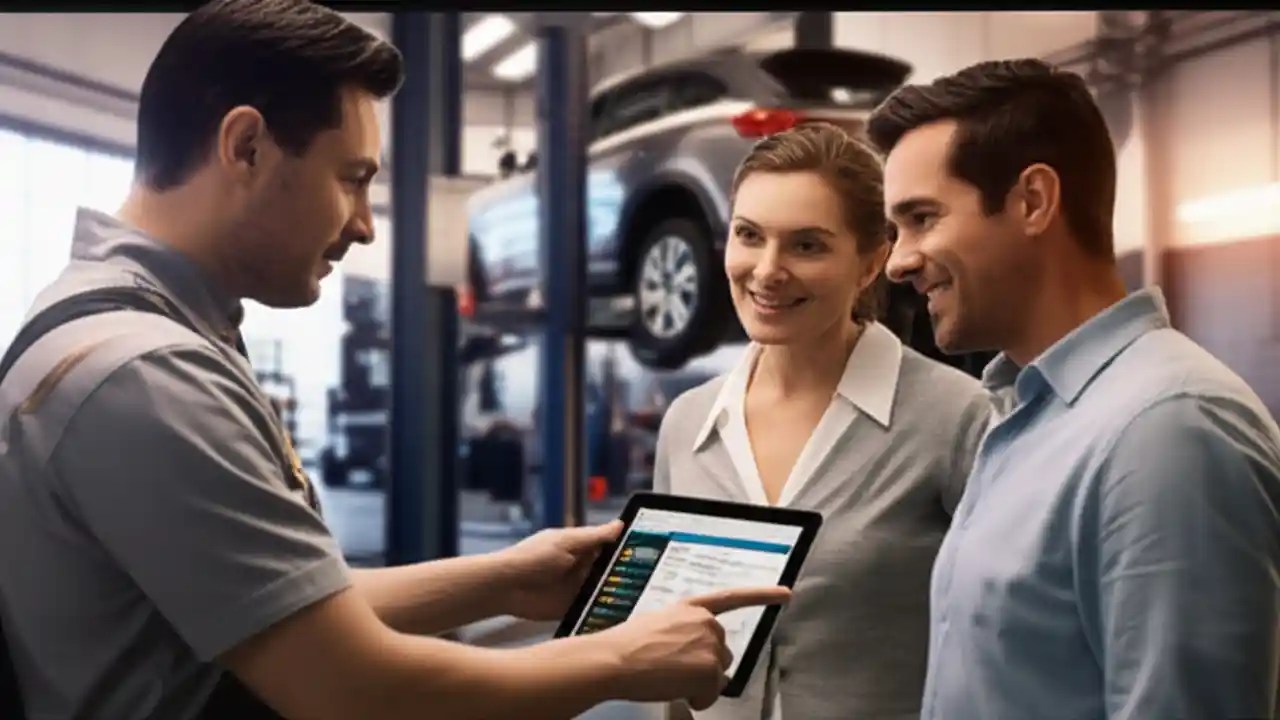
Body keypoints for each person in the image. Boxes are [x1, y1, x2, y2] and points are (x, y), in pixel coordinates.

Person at [0, 2, 790, 719]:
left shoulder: (107, 322)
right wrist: (617, 659)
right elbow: (355, 689)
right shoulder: (149, 376)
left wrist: (502, 579)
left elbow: (284, 604)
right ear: (245, 147)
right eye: (353, 181)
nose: (366, 226)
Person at [867, 58, 1280, 720]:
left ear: (1032, 201)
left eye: (922, 219)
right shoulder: (1029, 417)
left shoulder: (1165, 429)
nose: (898, 261)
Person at [652, 122, 995, 720]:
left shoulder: (957, 420)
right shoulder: (689, 425)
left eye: (807, 245)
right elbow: (671, 657)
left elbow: (1000, 649)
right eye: (748, 236)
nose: (767, 270)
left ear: (871, 262)